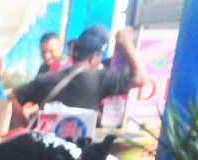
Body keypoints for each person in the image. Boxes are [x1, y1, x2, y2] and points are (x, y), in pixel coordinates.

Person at [13, 25, 146, 120]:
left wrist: (26, 123)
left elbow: (12, 97)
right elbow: (140, 78)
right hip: (80, 154)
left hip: (45, 150)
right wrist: (127, 43)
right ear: (94, 57)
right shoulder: (101, 78)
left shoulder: (45, 78)